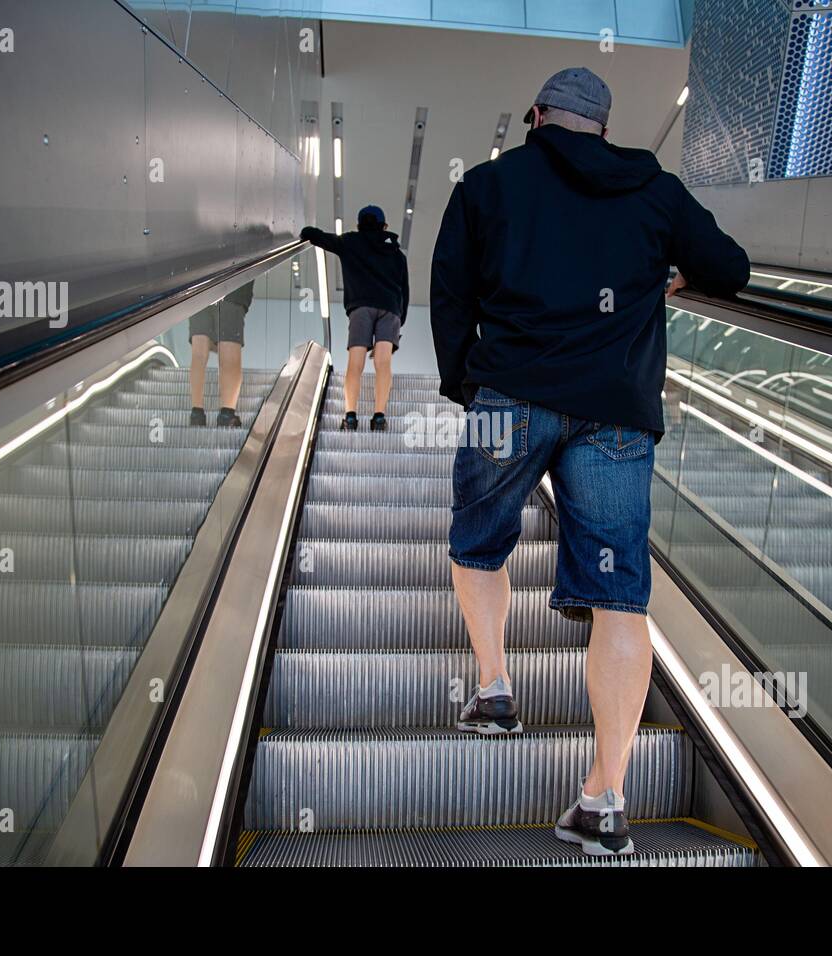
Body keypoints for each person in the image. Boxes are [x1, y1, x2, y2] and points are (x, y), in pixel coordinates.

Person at [431, 67, 749, 856]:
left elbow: (450, 293)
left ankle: (496, 689)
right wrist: (667, 274)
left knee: (477, 542)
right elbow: (732, 269)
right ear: (604, 130)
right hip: (615, 412)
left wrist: (465, 382)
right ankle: (605, 800)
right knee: (620, 599)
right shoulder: (655, 189)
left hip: (508, 397)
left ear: (537, 117)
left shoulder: (486, 186)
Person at [300, 207, 409, 431]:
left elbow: (317, 236)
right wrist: (400, 319)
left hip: (360, 308)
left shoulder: (350, 242)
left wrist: (304, 230)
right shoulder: (397, 254)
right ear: (384, 226)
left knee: (355, 362)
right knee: (383, 362)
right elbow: (404, 291)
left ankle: (350, 416)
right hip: (390, 309)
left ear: (359, 225)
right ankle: (379, 417)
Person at [189, 281, 254, 427]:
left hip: (199, 291)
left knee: (198, 353)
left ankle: (196, 414)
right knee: (229, 350)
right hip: (232, 289)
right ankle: (227, 414)